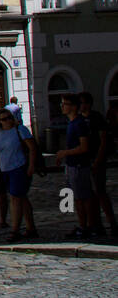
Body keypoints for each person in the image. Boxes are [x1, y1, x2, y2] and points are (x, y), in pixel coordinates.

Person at [0, 107, 38, 241]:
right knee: (22, 198)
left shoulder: (20, 130)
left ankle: (15, 230)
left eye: (9, 118)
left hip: (19, 167)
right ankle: (31, 228)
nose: (7, 121)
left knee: (15, 198)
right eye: (4, 119)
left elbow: (32, 148)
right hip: (5, 169)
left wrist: (31, 166)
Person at [57, 93, 98, 239]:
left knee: (83, 198)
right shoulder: (71, 123)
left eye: (65, 104)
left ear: (73, 107)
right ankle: (83, 225)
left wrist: (65, 153)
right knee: (77, 198)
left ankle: (87, 226)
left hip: (80, 166)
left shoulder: (79, 123)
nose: (62, 106)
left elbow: (84, 147)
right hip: (72, 165)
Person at [80, 92, 115, 237]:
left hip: (96, 159)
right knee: (89, 195)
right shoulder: (79, 119)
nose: (80, 106)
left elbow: (103, 140)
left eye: (81, 103)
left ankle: (112, 224)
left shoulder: (96, 117)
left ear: (88, 104)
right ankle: (95, 224)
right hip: (83, 161)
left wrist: (99, 159)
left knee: (100, 192)